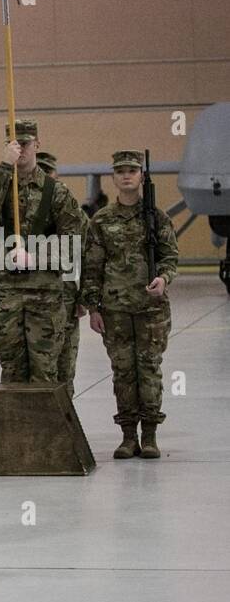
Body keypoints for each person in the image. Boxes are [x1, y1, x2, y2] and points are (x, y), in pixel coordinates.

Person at [81, 150, 179, 459]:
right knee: (123, 373)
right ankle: (127, 436)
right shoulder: (102, 220)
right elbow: (93, 266)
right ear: (113, 177)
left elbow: (170, 257)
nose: (126, 175)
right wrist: (93, 308)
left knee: (149, 370)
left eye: (132, 171)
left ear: (140, 177)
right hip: (115, 310)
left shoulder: (157, 217)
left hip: (151, 309)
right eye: (121, 170)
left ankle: (149, 435)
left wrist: (163, 279)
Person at [0, 118, 86, 384]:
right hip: (6, 293)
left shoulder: (57, 193)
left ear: (37, 144)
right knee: (11, 369)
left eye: (24, 143)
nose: (20, 149)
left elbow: (74, 244)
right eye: (13, 144)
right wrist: (5, 166)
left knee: (44, 372)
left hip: (43, 296)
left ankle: (46, 427)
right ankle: (16, 427)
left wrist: (36, 258)